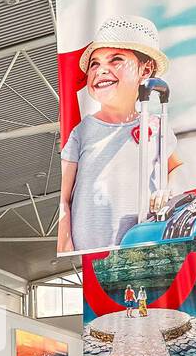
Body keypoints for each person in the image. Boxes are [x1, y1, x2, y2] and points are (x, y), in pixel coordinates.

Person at [57, 17, 185, 254]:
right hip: (91, 251)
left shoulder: (157, 125)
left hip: (143, 242)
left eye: (116, 59)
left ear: (145, 70)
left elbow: (175, 166)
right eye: (94, 64)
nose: (101, 70)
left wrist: (167, 189)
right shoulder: (82, 131)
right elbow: (63, 198)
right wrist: (65, 244)